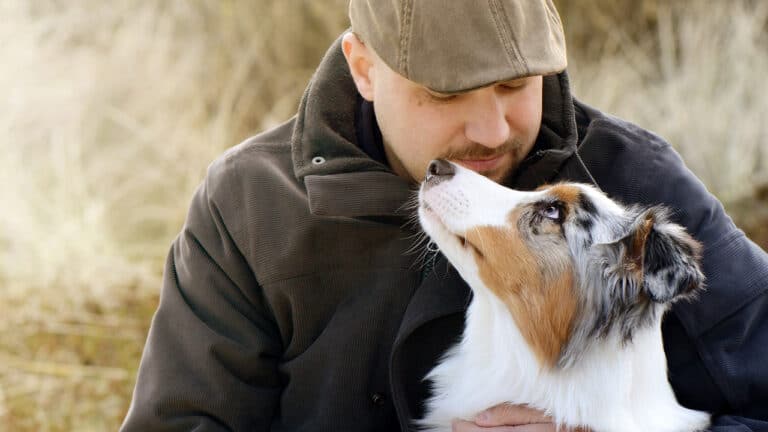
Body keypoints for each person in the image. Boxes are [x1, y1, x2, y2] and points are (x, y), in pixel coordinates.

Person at [121, 1, 768, 431]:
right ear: (364, 68)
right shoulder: (249, 205)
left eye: (515, 85)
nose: (492, 129)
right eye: (447, 94)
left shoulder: (631, 182)